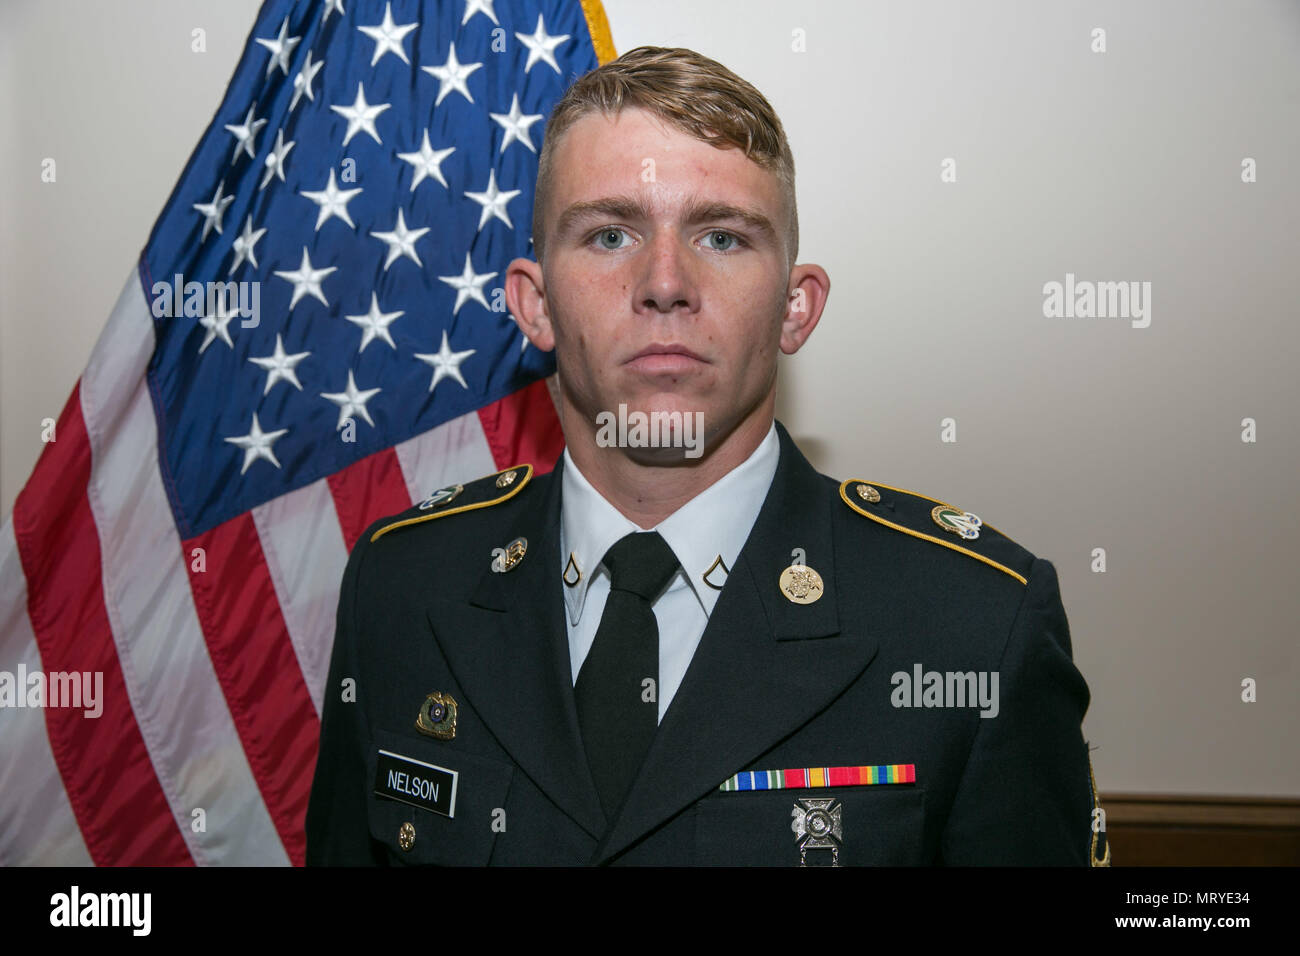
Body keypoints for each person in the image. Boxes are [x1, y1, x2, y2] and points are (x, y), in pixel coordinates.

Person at [305, 45, 1108, 866]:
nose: (665, 282)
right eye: (610, 232)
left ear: (797, 309)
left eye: (721, 237)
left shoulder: (971, 624)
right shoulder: (403, 586)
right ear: (534, 304)